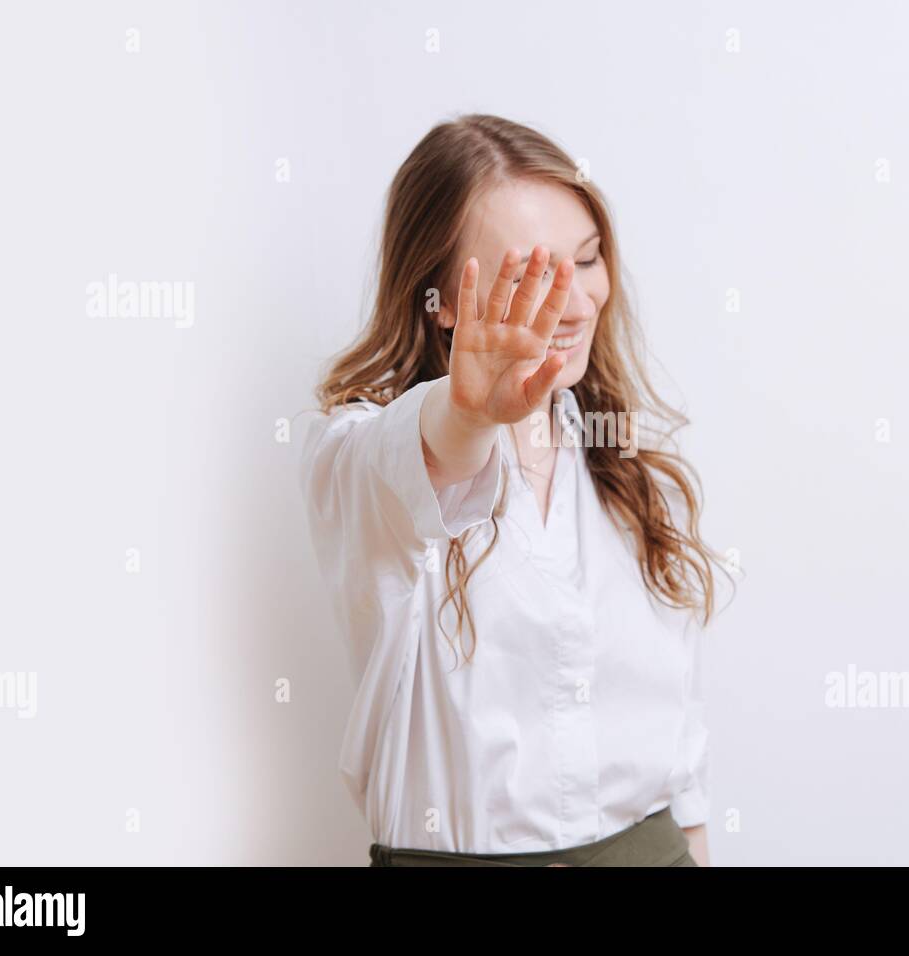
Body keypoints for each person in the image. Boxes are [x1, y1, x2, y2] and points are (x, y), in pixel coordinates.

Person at [299, 113, 731, 866]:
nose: (573, 302)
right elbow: (423, 454)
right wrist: (469, 411)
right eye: (528, 279)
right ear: (441, 299)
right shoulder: (357, 461)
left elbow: (679, 750)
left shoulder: (624, 464)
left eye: (587, 260)